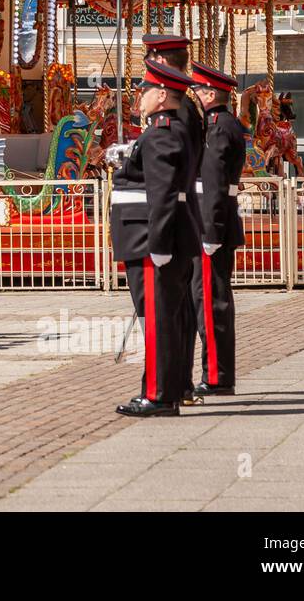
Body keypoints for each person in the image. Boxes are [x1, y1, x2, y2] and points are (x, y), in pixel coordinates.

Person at [111, 59, 200, 417]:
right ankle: (172, 387)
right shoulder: (169, 129)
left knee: (159, 317)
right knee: (169, 317)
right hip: (155, 234)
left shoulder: (161, 132)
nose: (141, 97)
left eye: (145, 91)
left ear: (162, 95)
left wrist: (159, 244)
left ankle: (158, 394)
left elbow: (162, 193)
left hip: (150, 237)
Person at [189, 61, 246, 397]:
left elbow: (213, 184)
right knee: (211, 300)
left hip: (214, 226)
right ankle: (217, 373)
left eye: (198, 90)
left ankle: (217, 376)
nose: (194, 95)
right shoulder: (222, 124)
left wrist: (210, 233)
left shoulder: (220, 128)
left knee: (211, 303)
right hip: (217, 223)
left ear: (210, 93)